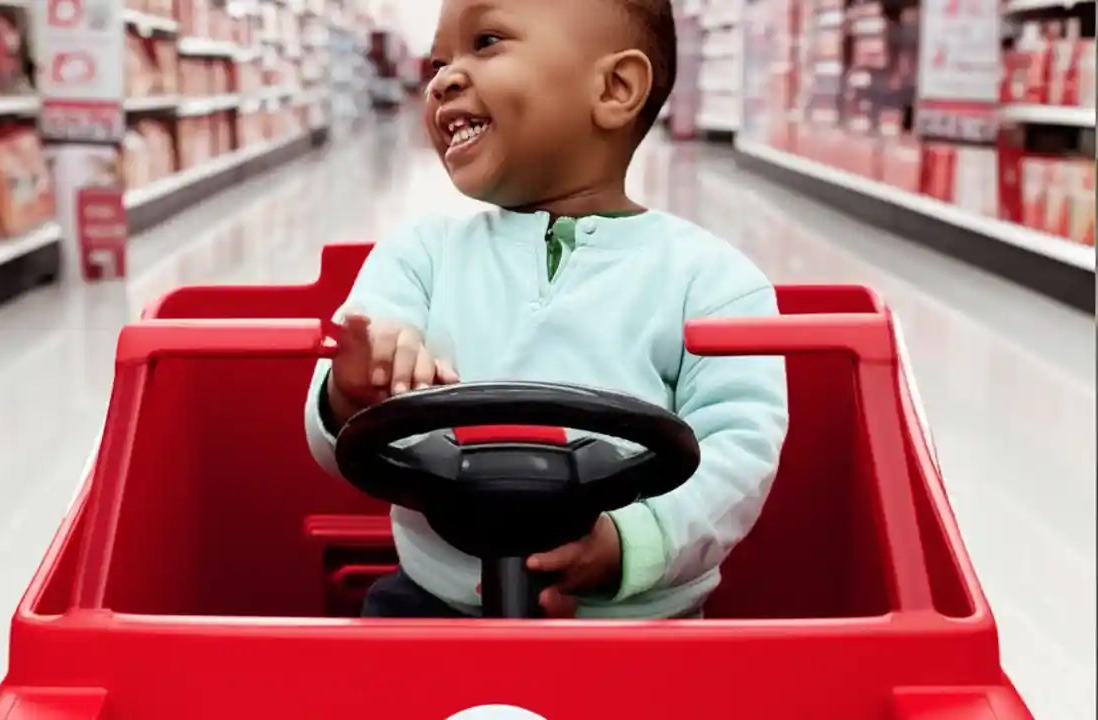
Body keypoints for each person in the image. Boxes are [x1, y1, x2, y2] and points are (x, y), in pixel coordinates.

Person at [305, 0, 788, 619]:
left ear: (615, 88)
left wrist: (633, 541)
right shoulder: (419, 258)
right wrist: (349, 392)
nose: (444, 79)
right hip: (435, 601)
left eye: (486, 41)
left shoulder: (713, 282)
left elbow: (740, 450)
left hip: (638, 623)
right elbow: (342, 430)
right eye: (438, 61)